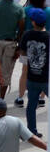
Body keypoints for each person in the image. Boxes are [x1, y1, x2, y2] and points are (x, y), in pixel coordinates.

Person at [17, 8, 49, 136]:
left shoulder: (27, 35)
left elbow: (23, 53)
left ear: (34, 22)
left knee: (31, 106)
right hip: (46, 78)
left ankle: (31, 131)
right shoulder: (48, 37)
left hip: (32, 77)